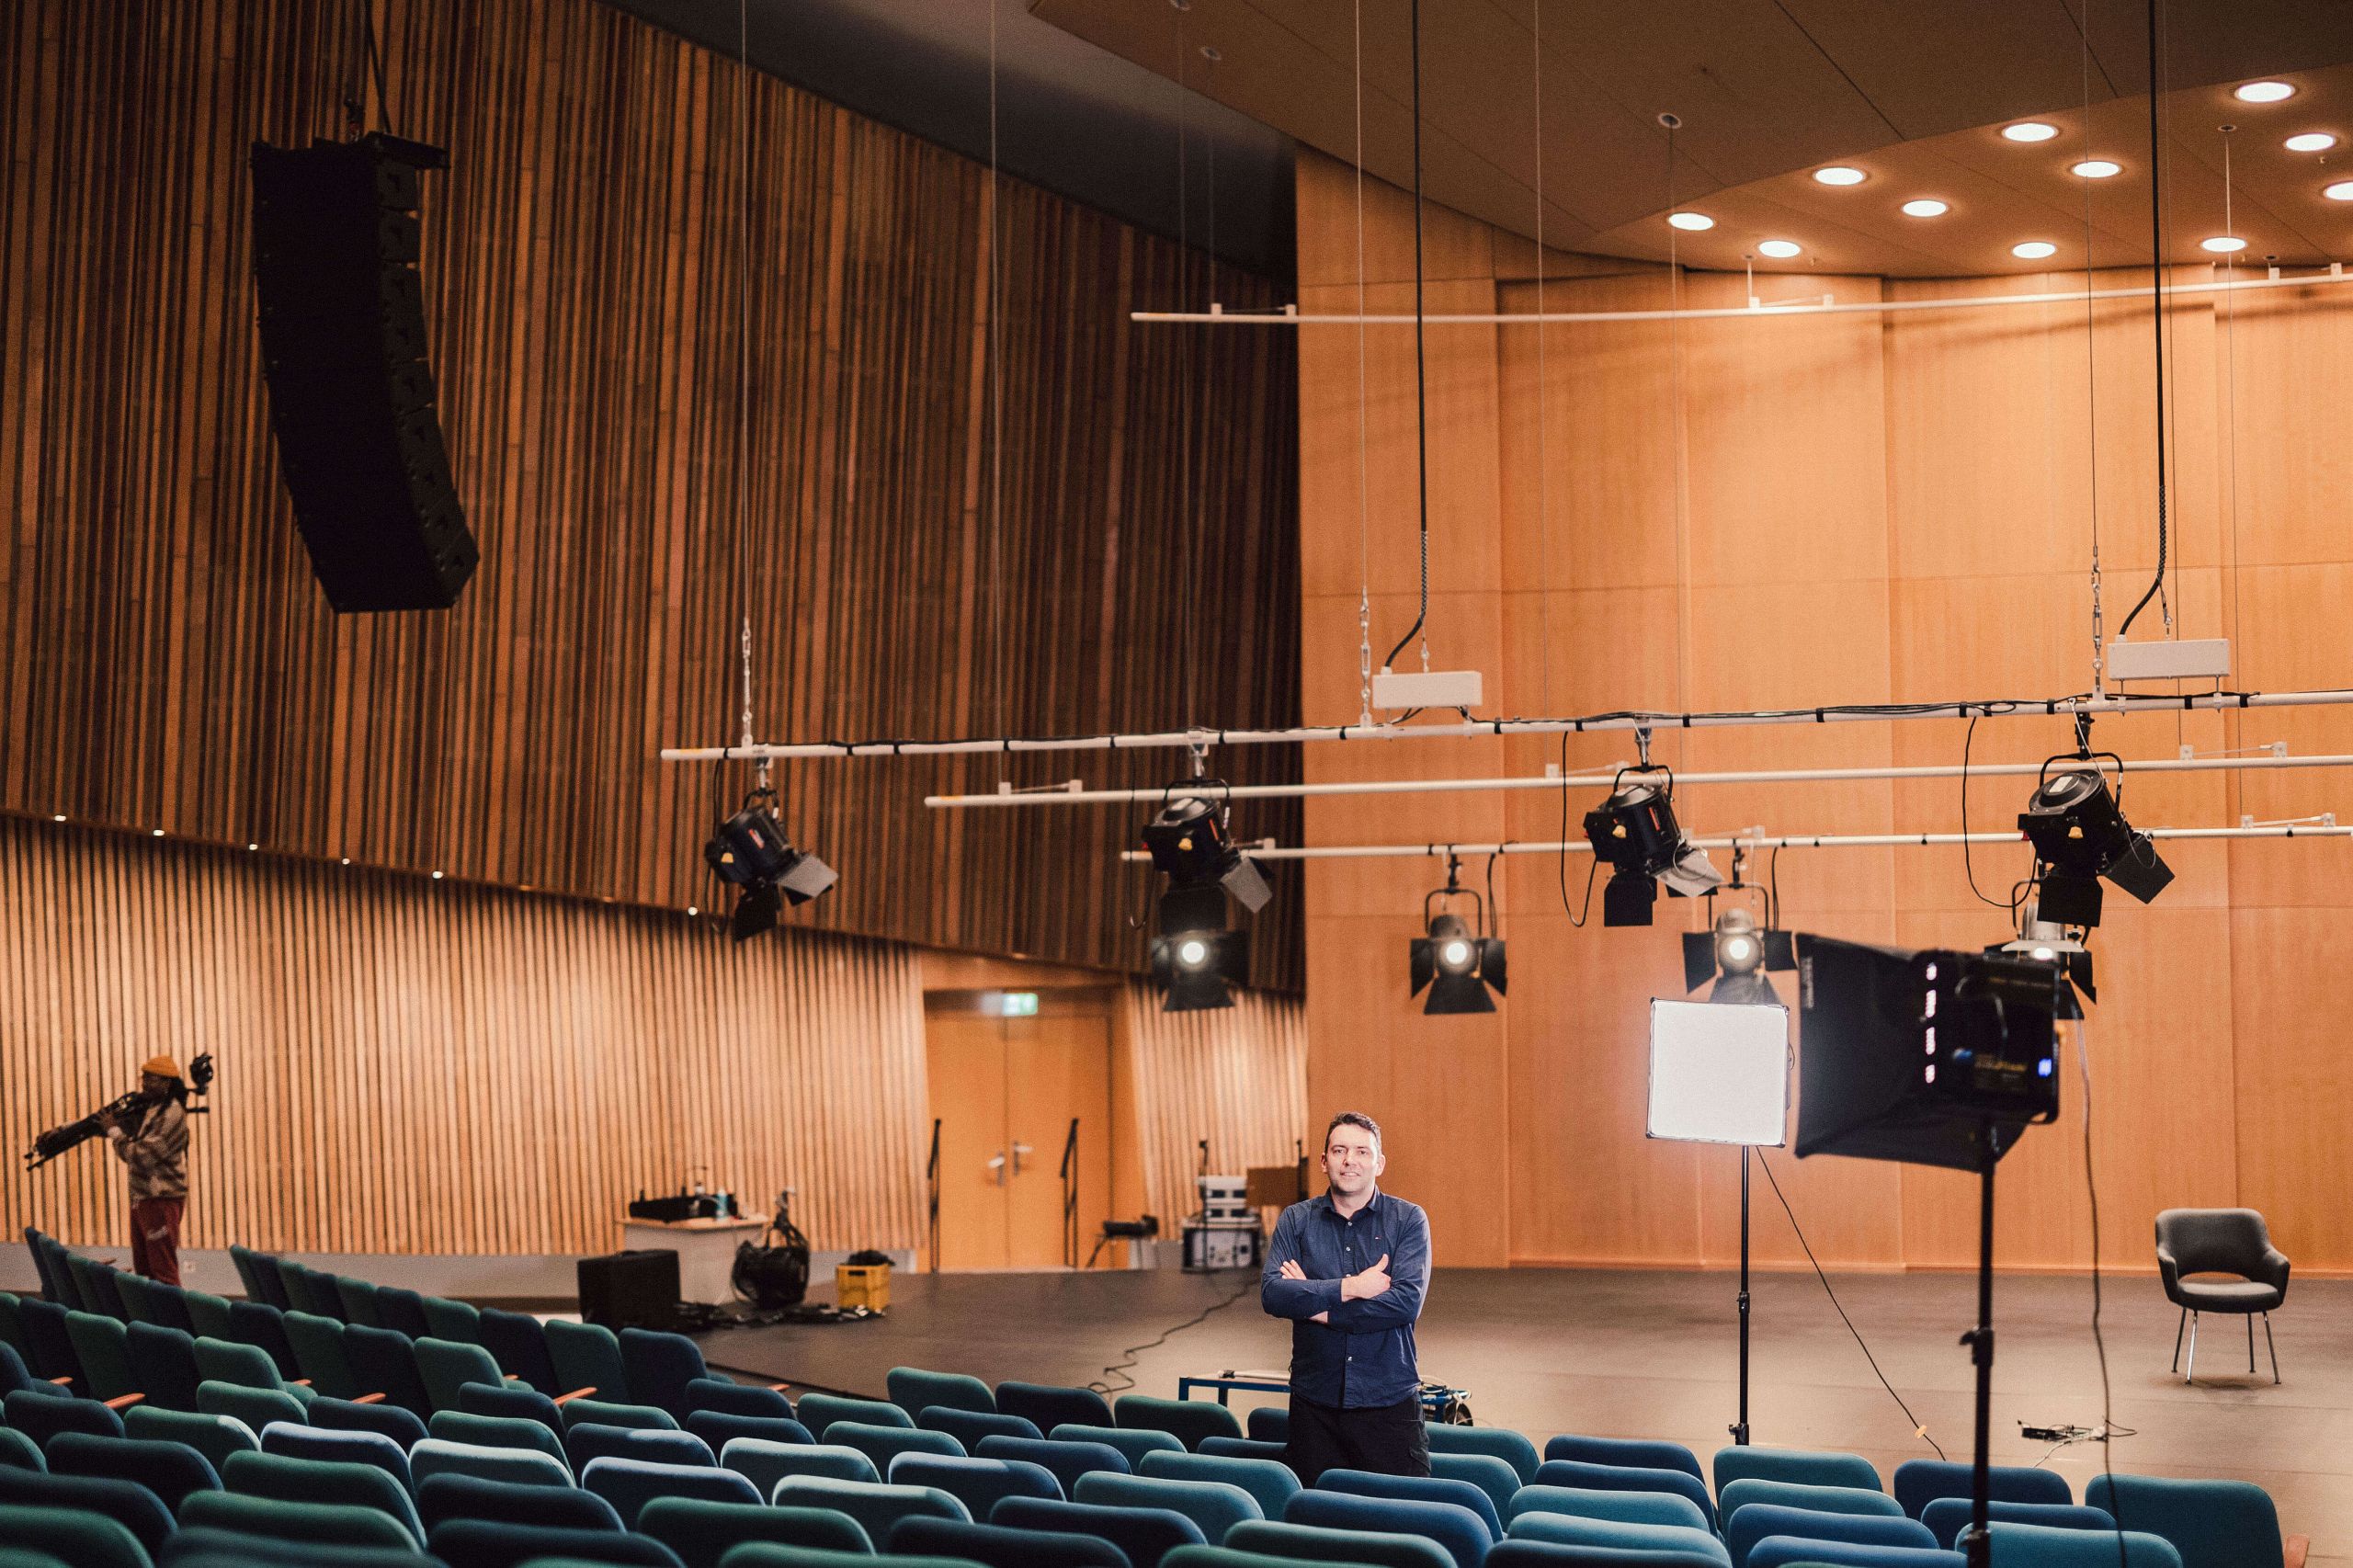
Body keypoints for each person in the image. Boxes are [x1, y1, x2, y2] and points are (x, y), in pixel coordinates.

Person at [1259, 1109, 1432, 1482]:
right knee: (1318, 1525)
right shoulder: (1295, 1220)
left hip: (1389, 1401)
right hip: (1314, 1404)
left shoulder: (1408, 1220)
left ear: (1379, 1163)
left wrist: (1319, 1309)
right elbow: (1274, 1293)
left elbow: (1404, 1303)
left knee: (1402, 1524)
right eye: (1339, 1151)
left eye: (1362, 1152)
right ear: (1324, 1161)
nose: (1350, 1161)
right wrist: (1350, 1287)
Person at [104, 1056, 191, 1284]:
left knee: (163, 1272)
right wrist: (62, 1131)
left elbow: (141, 1156)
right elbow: (101, 1125)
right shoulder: (151, 1108)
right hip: (143, 1198)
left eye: (150, 1078)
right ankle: (149, 1319)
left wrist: (115, 1133)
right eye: (144, 1077)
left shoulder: (172, 1113)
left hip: (161, 1199)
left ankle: (172, 1319)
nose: (144, 1083)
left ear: (166, 1083)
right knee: (144, 1269)